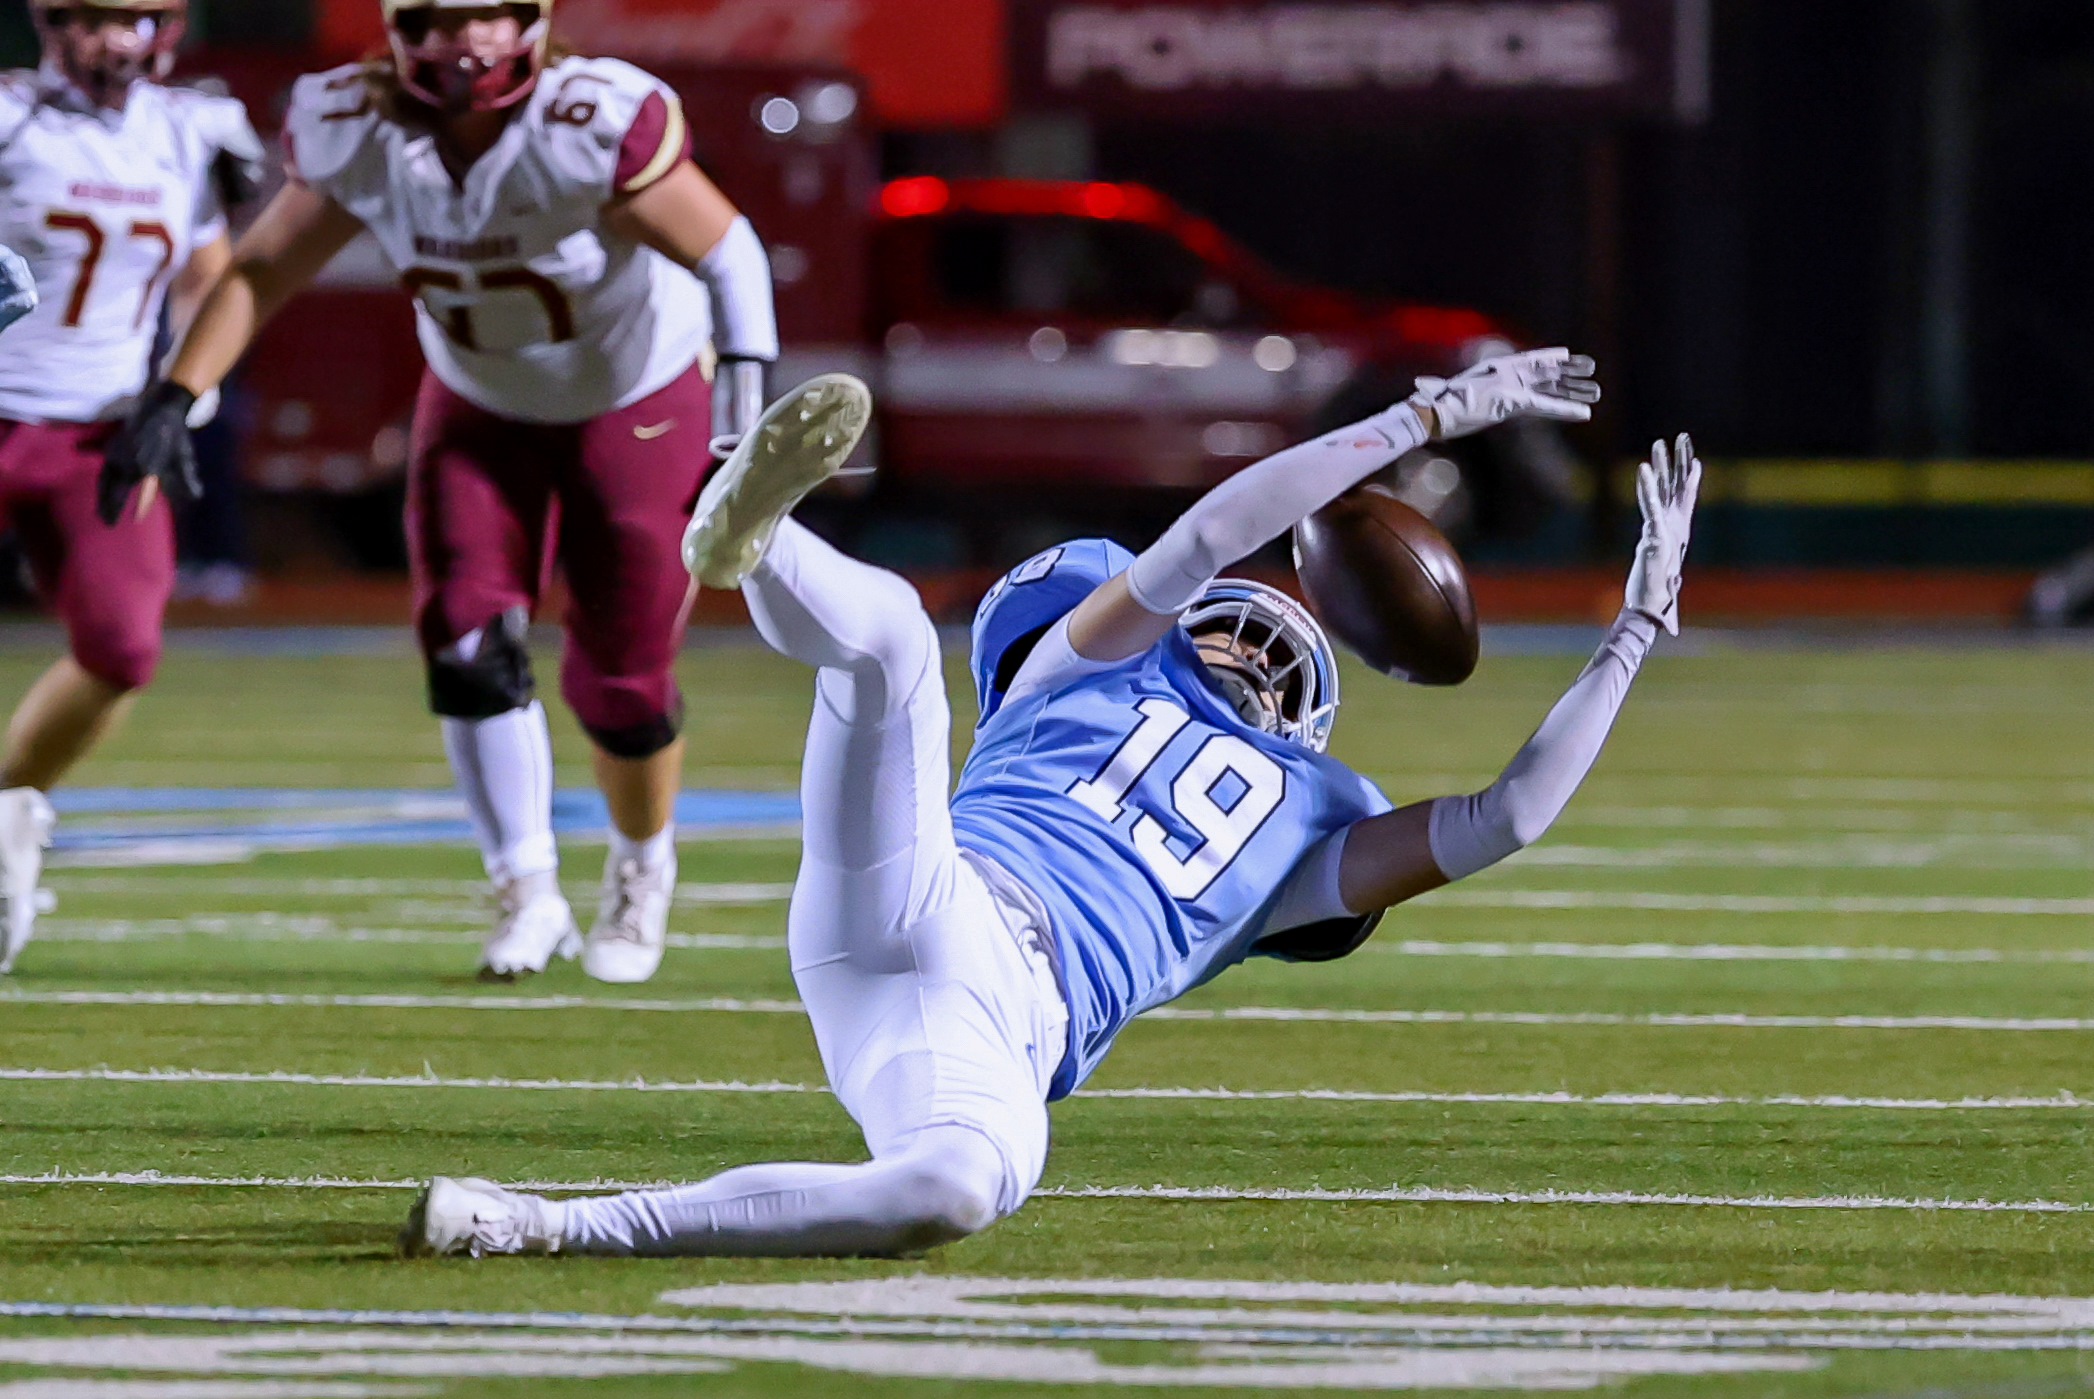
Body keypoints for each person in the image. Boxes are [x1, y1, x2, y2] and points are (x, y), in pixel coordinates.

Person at [404, 351, 1705, 1260]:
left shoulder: (1309, 831)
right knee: (891, 646)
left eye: (1274, 661)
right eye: (1236, 635)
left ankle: (551, 1221)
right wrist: (1420, 417)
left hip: (989, 1020)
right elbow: (1210, 530)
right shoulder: (1097, 653)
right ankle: (753, 532)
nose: (1254, 653)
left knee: (958, 1184)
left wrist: (1636, 625)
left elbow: (1505, 817)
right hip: (934, 880)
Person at [116, 0, 782, 983]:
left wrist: (741, 419)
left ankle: (643, 867)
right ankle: (529, 889)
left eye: (485, 15)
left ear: (531, 21)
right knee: (465, 642)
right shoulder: (358, 127)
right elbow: (264, 267)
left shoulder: (589, 121)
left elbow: (728, 250)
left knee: (621, 686)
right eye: (431, 19)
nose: (460, 40)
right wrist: (179, 390)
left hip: (633, 398)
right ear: (395, 30)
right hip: (478, 404)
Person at [0, 0, 263, 975]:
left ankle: (9, 810)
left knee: (120, 647)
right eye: (87, 19)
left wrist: (182, 396)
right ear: (47, 23)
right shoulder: (10, 116)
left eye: (132, 18)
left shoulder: (188, 128)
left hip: (101, 428)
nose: (110, 41)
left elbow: (210, 274)